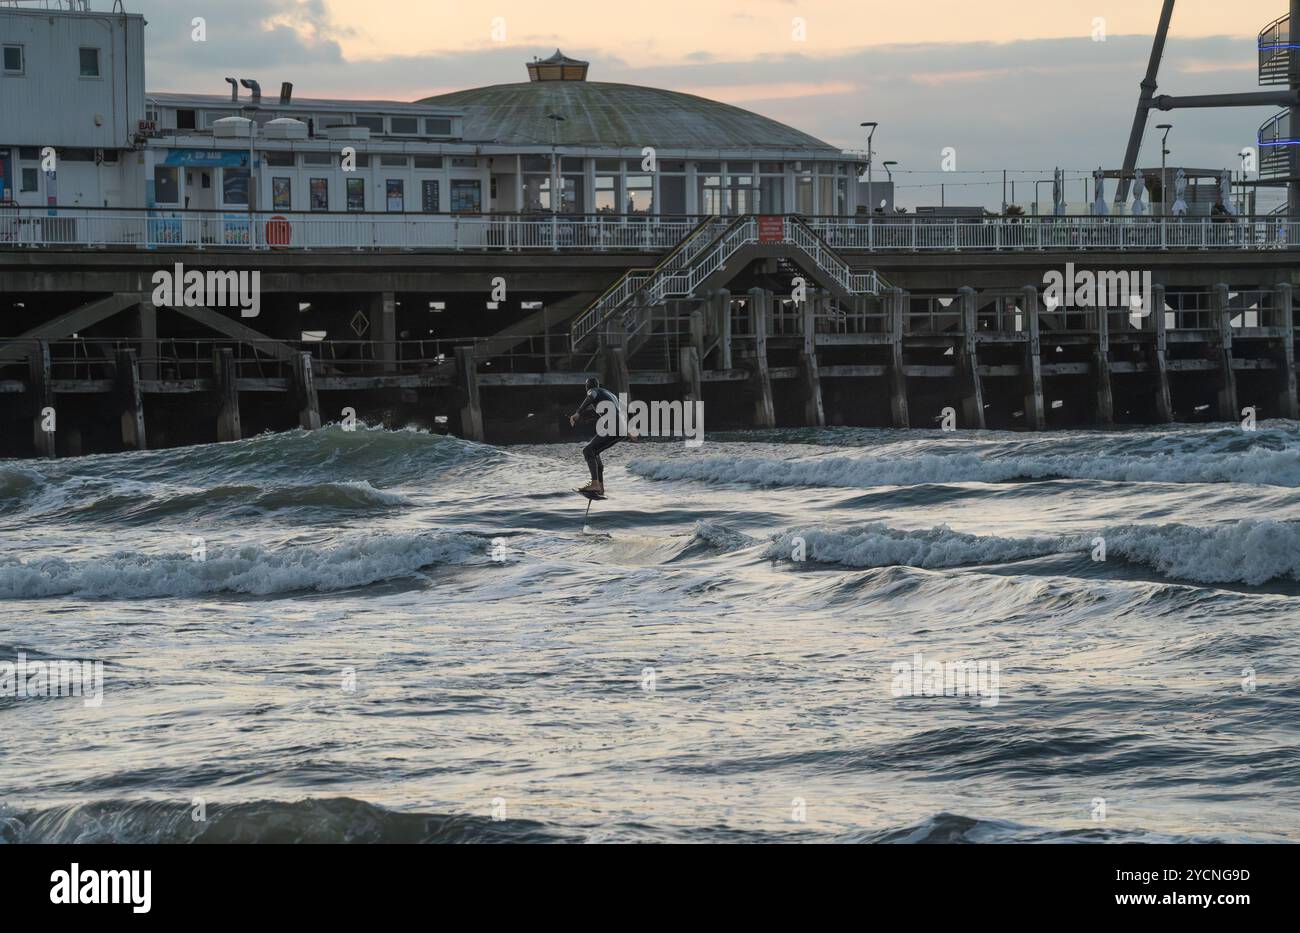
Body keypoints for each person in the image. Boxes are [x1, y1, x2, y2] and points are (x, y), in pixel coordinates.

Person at [568, 377, 634, 495]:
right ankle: (600, 487)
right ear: (598, 385)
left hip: (614, 427)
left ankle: (594, 485)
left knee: (587, 451)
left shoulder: (593, 391)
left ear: (587, 387)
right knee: (594, 452)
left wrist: (578, 412)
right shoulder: (610, 394)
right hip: (621, 429)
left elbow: (591, 396)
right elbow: (629, 410)